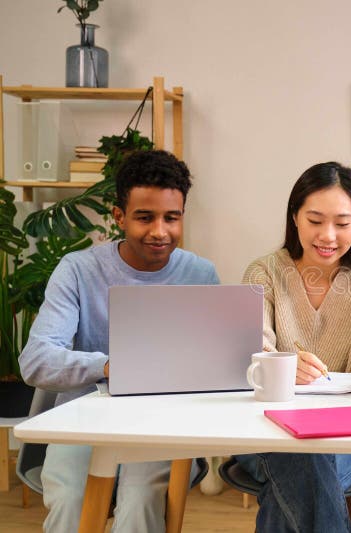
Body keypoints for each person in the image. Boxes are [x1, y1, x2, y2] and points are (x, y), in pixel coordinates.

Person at [19, 150, 219, 533]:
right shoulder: (78, 270)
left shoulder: (200, 274)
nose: (159, 231)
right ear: (119, 216)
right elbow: (36, 360)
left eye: (171, 218)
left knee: (141, 501)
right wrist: (110, 367)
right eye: (145, 217)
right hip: (83, 419)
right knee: (71, 501)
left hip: (164, 423)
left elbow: (216, 363)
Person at [235, 161, 351, 533]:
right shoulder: (264, 272)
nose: (328, 235)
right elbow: (251, 348)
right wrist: (280, 365)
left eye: (342, 223)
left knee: (299, 470)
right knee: (303, 456)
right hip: (265, 430)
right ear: (295, 217)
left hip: (349, 434)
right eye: (315, 220)